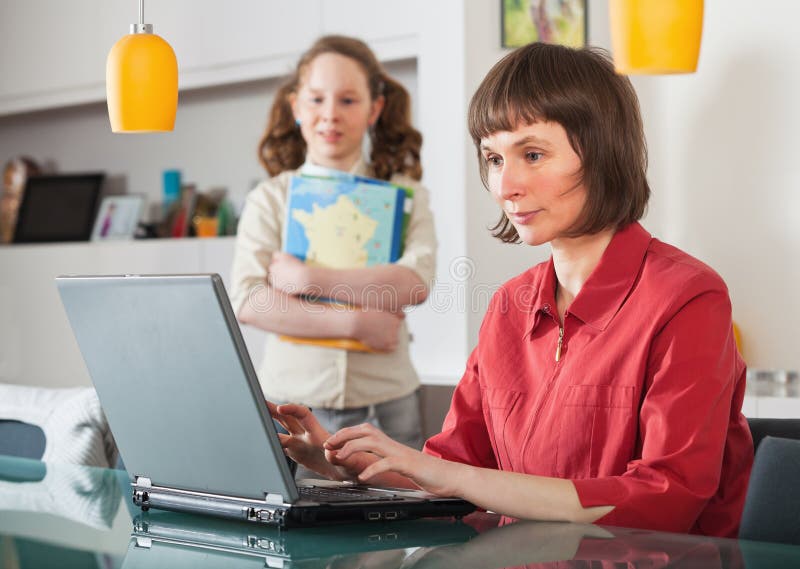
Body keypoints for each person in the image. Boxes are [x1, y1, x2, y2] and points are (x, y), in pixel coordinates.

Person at [269, 42, 754, 537]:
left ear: (604, 151)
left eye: (533, 153)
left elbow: (665, 498)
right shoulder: (508, 305)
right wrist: (338, 462)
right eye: (494, 159)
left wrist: (447, 473)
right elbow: (450, 468)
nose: (505, 185)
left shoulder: (689, 298)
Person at [230, 36, 436, 450]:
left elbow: (414, 282)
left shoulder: (404, 195)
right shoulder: (272, 197)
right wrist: (356, 323)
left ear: (374, 108)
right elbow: (250, 300)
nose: (330, 115)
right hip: (290, 402)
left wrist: (306, 277)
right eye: (317, 99)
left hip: (389, 402)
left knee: (401, 512)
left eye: (347, 100)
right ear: (296, 106)